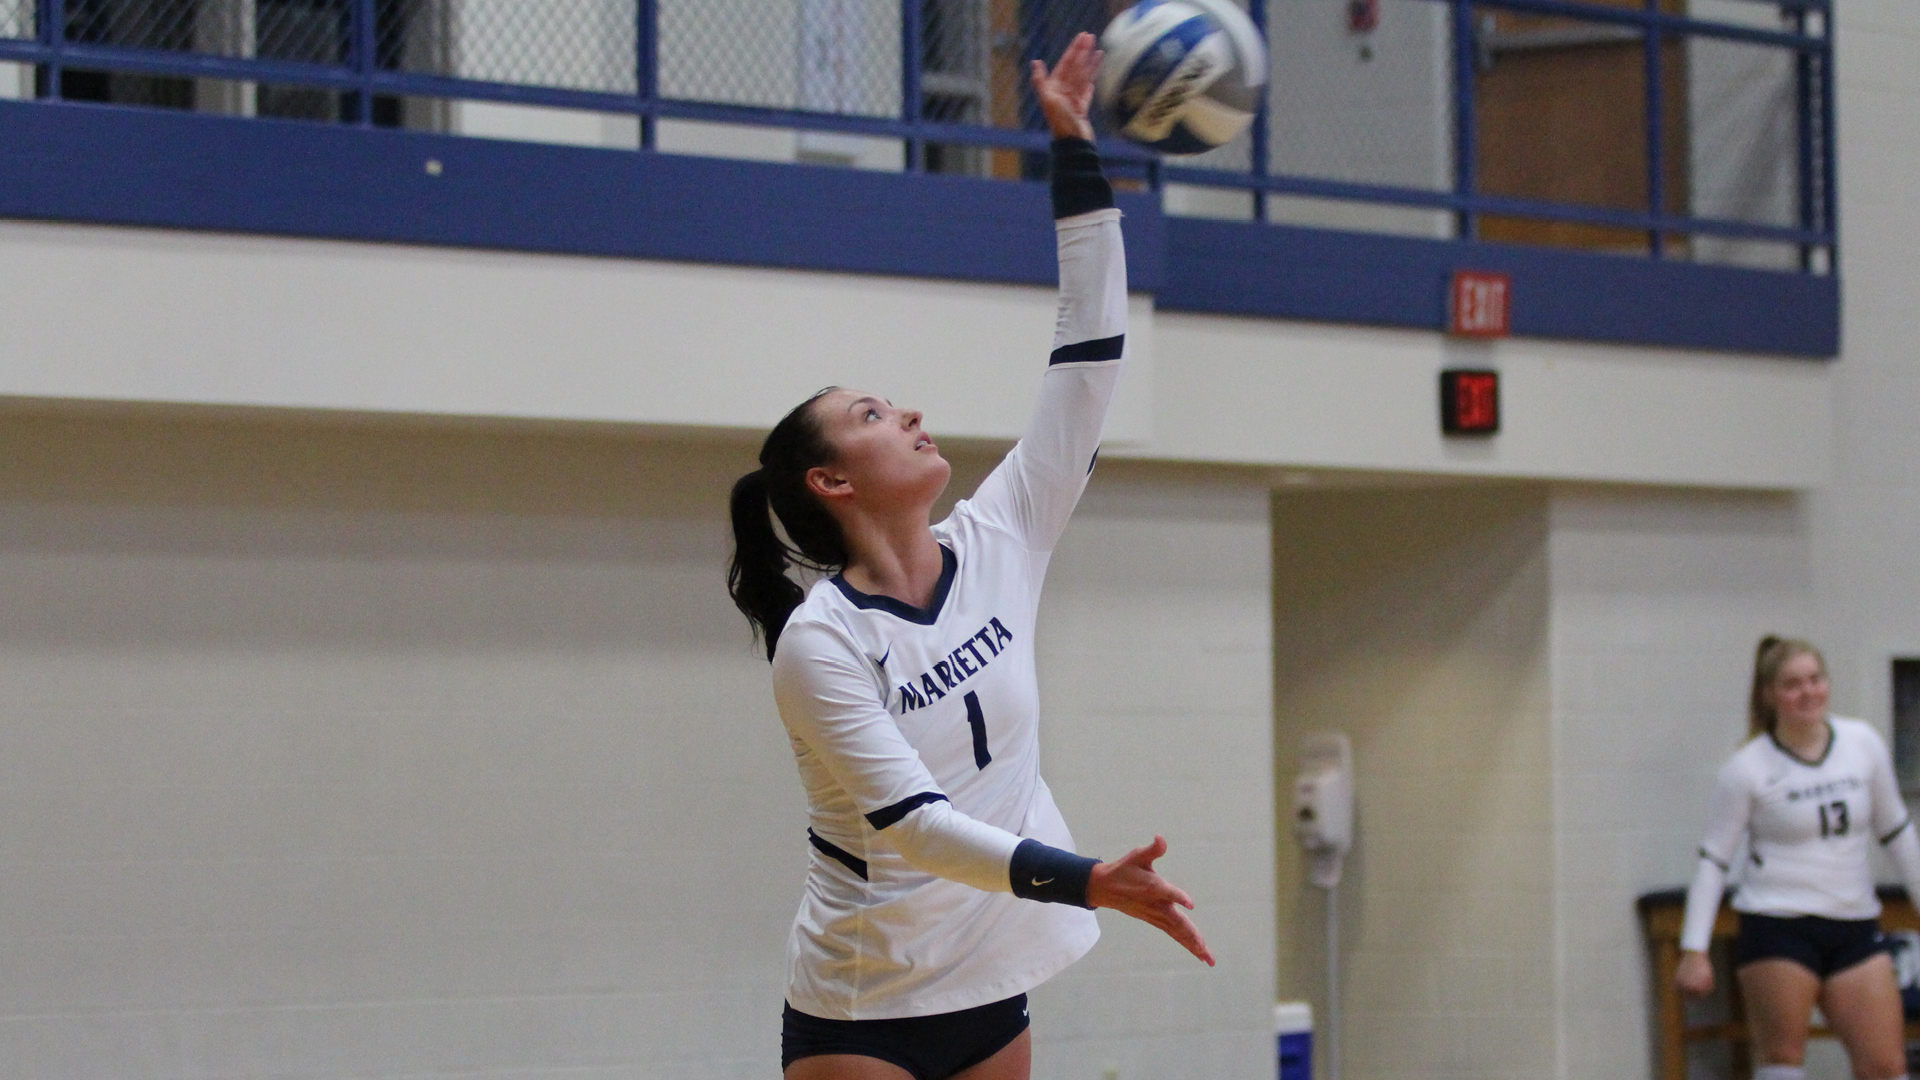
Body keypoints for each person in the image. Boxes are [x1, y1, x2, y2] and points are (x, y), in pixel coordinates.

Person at [725, 33, 1212, 1080]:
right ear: (831, 481)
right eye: (869, 413)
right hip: (868, 994)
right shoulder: (823, 644)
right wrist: (1087, 879)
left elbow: (1089, 357)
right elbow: (918, 831)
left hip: (991, 981)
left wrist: (1075, 152)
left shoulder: (998, 539)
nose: (907, 412)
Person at [1677, 636, 1920, 1080]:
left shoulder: (1862, 743)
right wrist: (1695, 949)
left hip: (1854, 924)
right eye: (1792, 684)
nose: (1808, 693)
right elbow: (1713, 862)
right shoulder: (1747, 767)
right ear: (1770, 694)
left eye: (1815, 680)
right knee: (1784, 1058)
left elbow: (1897, 833)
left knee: (1887, 1066)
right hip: (1778, 926)